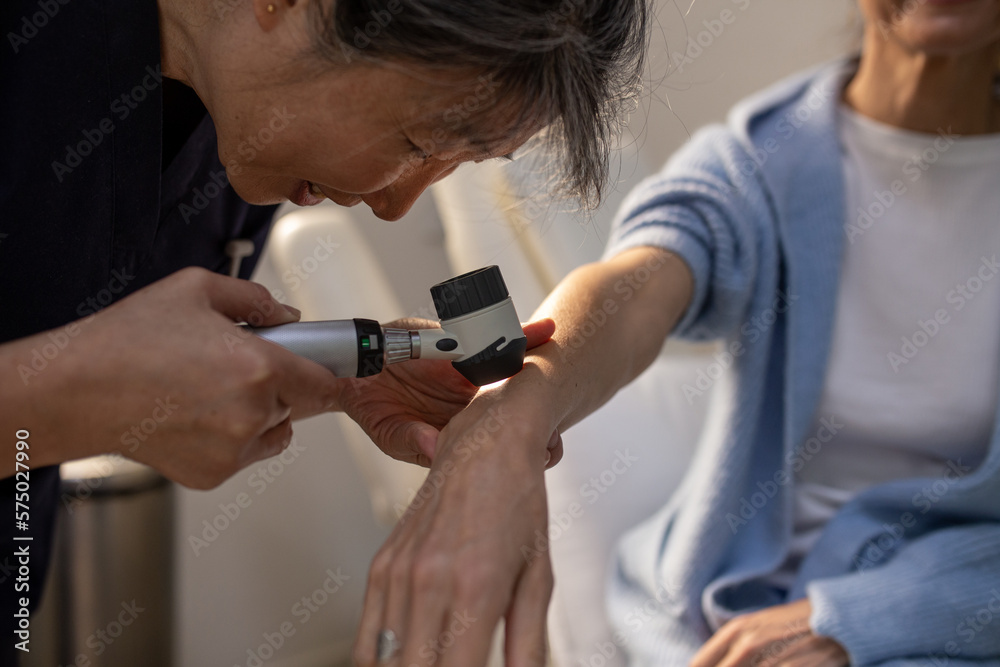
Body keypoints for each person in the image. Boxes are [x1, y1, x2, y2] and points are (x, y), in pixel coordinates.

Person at [0, 0, 649, 663]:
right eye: (417, 143)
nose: (396, 206)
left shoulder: (230, 118)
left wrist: (339, 370)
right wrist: (74, 398)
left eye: (453, 163)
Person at [356, 0, 1000, 665]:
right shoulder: (766, 159)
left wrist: (859, 619)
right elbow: (637, 286)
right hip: (717, 618)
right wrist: (507, 422)